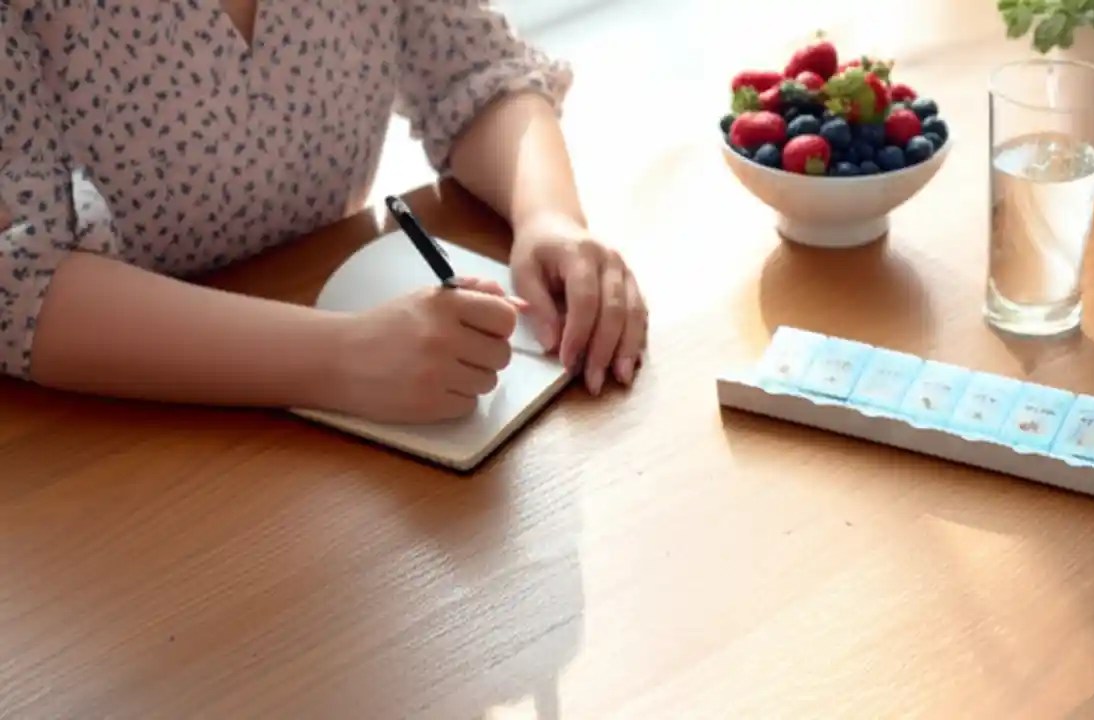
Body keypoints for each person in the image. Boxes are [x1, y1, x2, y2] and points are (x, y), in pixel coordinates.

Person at [0, 0, 647, 424]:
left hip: (339, 434)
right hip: (118, 432)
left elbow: (475, 73)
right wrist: (343, 357)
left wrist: (549, 217)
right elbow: (18, 278)